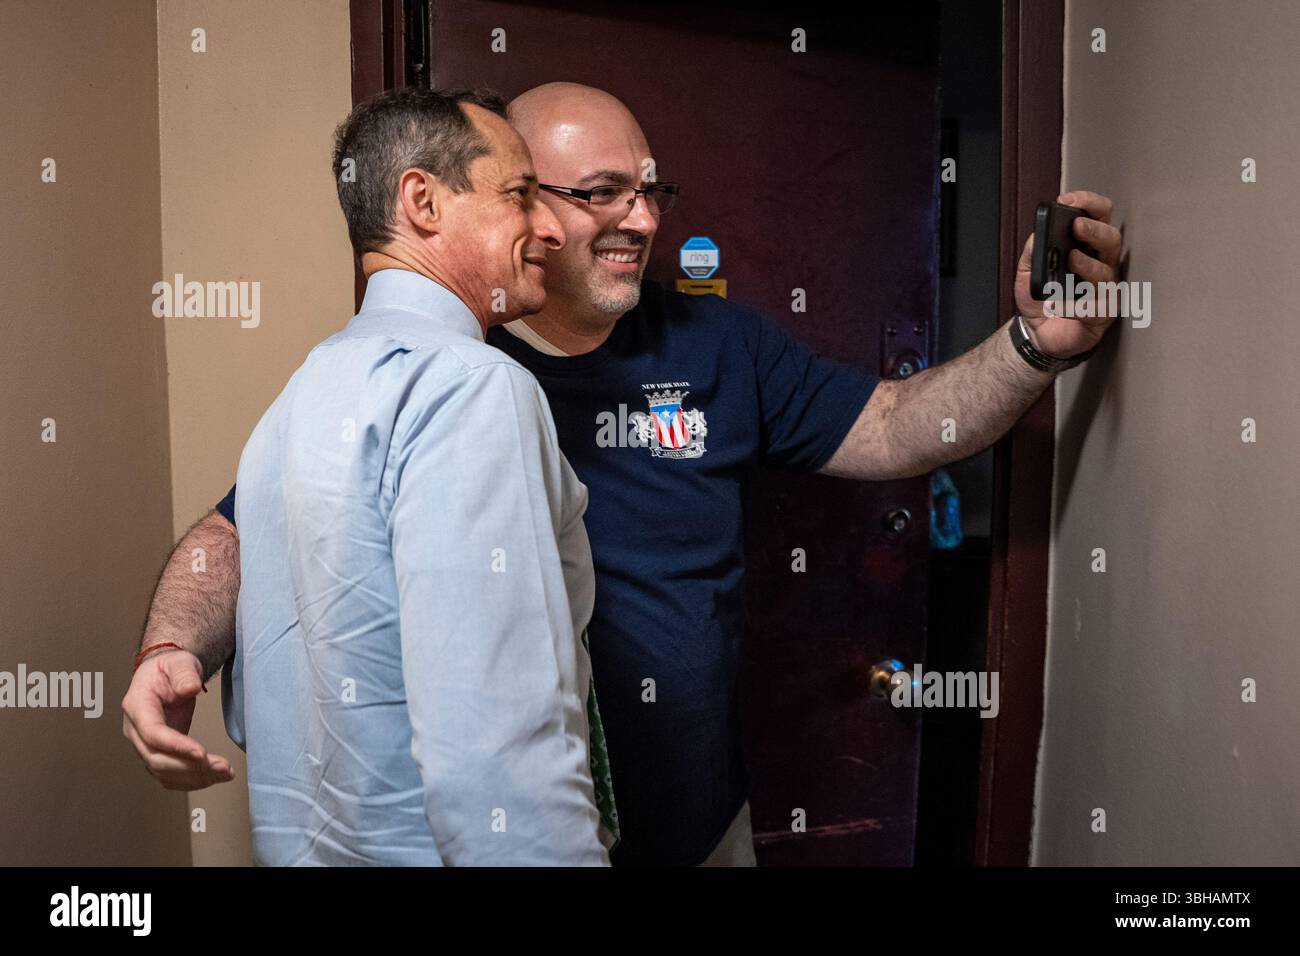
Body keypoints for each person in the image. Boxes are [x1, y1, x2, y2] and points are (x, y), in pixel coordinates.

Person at [124, 82, 1122, 867]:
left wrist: (1035, 344)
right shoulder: (446, 374)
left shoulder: (717, 340)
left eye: (649, 188)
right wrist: (173, 641)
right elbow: (240, 530)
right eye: (595, 190)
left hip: (697, 824)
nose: (640, 219)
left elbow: (900, 426)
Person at [137, 85, 612, 865]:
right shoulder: (471, 388)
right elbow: (494, 762)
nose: (552, 227)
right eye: (522, 195)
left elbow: (267, 711)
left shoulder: (294, 403)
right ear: (422, 201)